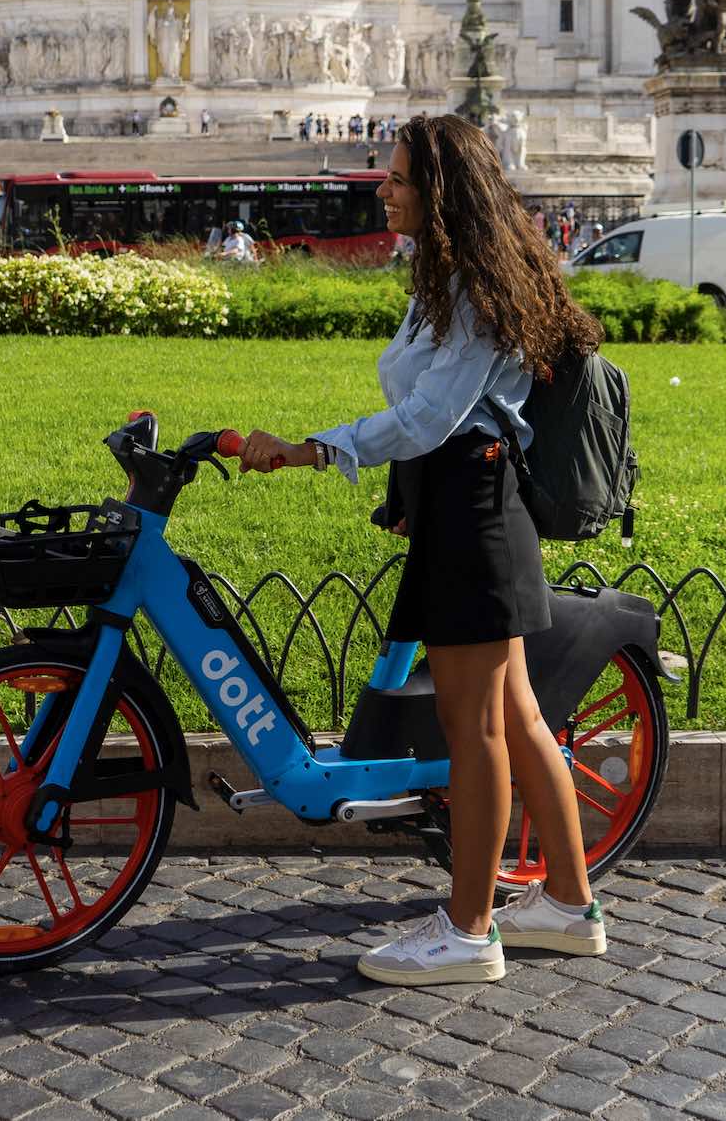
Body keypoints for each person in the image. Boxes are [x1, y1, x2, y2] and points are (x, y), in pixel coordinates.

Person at [236, 115, 607, 987]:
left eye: (399, 177)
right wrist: (405, 490)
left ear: (442, 193)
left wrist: (309, 447)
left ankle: (470, 931)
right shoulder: (445, 280)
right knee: (515, 717)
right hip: (460, 502)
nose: (384, 188)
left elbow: (432, 418)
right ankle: (567, 904)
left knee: (473, 727)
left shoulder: (475, 287)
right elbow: (439, 417)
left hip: (475, 507)